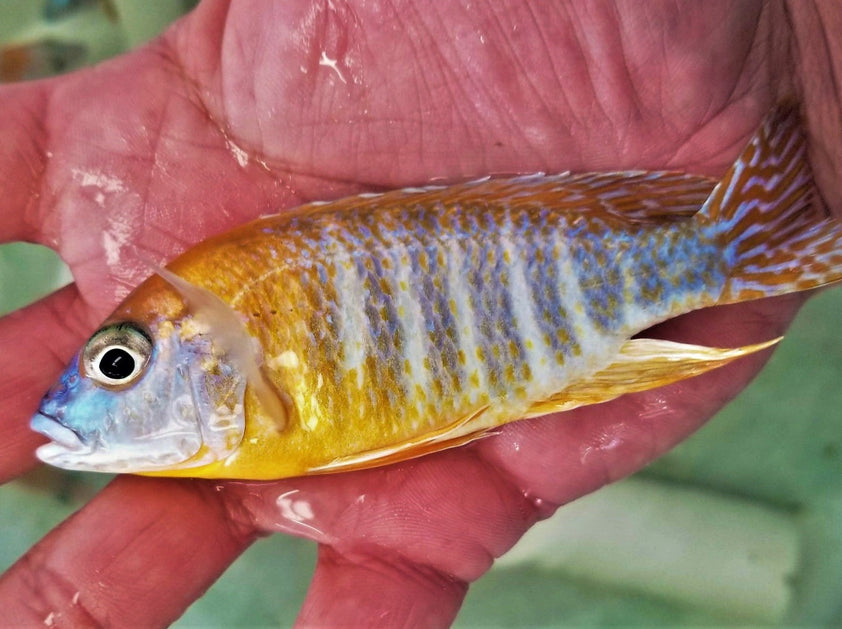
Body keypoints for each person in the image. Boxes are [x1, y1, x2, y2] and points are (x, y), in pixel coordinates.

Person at [0, 1, 839, 625]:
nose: (92, 398)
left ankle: (727, 249)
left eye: (120, 364)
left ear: (210, 354)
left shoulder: (254, 413)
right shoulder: (241, 409)